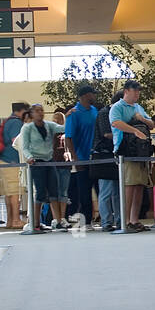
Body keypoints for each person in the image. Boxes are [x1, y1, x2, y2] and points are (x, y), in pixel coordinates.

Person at [109, 79, 155, 232]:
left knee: (139, 185)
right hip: (125, 150)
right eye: (134, 91)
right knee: (129, 185)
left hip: (140, 151)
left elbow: (152, 124)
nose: (137, 94)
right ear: (126, 91)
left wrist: (142, 119)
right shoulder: (117, 107)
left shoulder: (138, 107)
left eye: (138, 91)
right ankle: (126, 220)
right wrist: (135, 130)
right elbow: (116, 123)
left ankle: (135, 219)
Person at [19, 104, 67, 232]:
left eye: (42, 110)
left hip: (49, 160)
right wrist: (29, 157)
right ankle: (35, 223)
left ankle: (58, 222)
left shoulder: (48, 125)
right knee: (40, 192)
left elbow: (61, 128)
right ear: (32, 114)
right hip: (36, 162)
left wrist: (68, 117)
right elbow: (25, 146)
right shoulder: (27, 128)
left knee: (54, 191)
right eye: (37, 111)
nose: (40, 113)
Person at [63, 87, 99, 226]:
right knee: (84, 192)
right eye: (92, 94)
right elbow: (68, 137)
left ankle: (101, 218)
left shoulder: (94, 111)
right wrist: (75, 159)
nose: (94, 97)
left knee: (99, 189)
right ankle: (86, 220)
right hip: (81, 158)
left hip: (95, 157)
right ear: (85, 95)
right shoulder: (74, 114)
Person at [0, 102, 28, 229]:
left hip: (2, 160)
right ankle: (16, 220)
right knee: (14, 192)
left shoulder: (7, 121)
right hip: (11, 161)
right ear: (22, 111)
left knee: (9, 193)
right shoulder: (16, 123)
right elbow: (17, 141)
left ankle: (10, 220)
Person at [94, 91, 120, 232]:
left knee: (117, 191)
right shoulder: (104, 113)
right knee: (105, 191)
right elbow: (106, 134)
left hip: (115, 154)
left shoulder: (116, 113)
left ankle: (119, 220)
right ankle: (106, 222)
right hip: (104, 154)